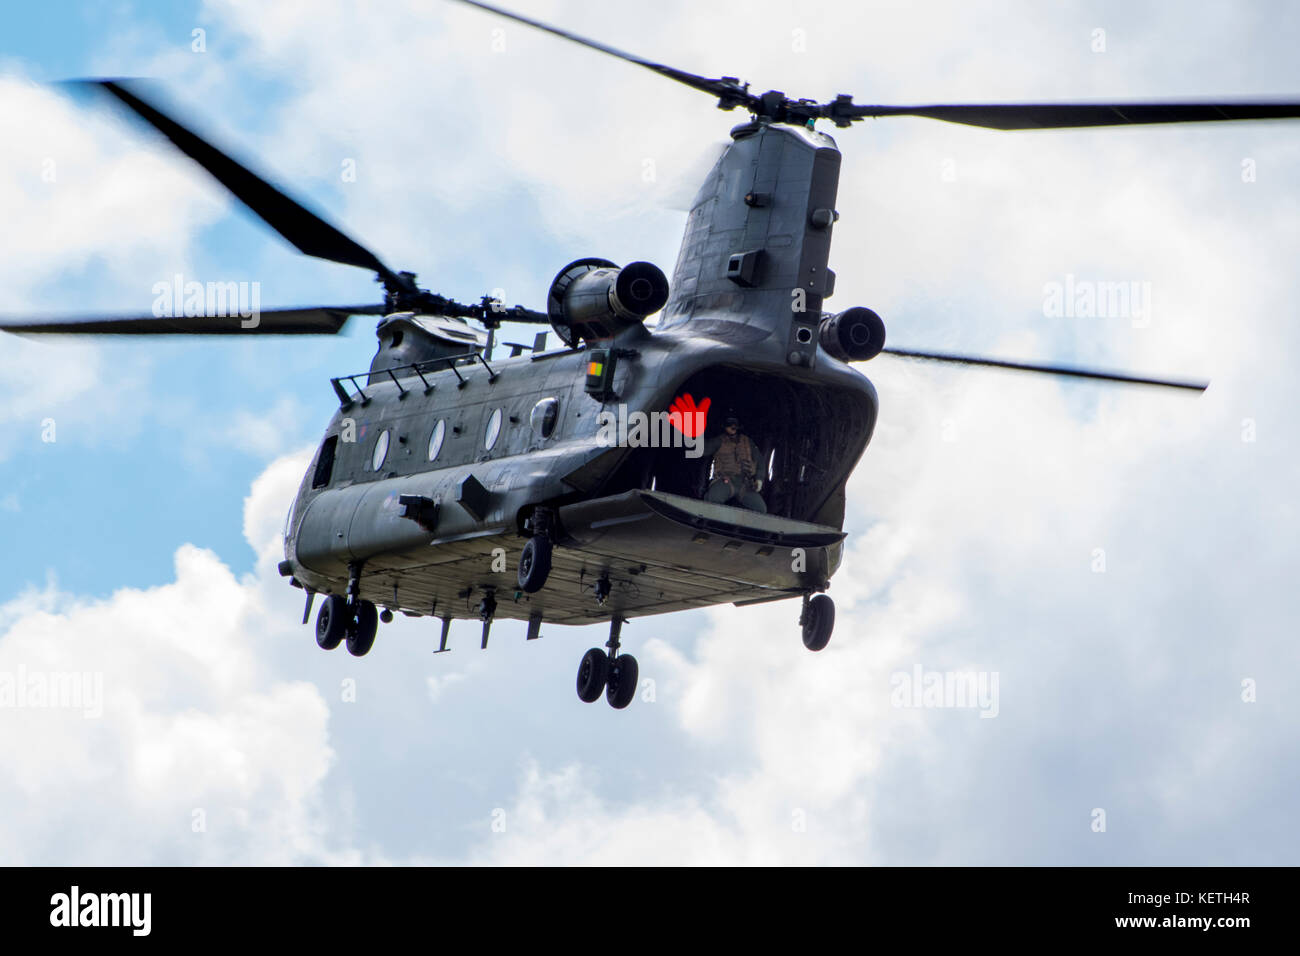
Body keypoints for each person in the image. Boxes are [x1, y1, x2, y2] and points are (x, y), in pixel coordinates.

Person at [704, 416, 767, 512]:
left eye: (734, 424)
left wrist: (759, 479)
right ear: (724, 427)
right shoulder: (719, 441)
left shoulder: (747, 442)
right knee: (713, 499)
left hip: (745, 484)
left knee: (761, 509)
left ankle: (741, 525)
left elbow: (760, 462)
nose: (732, 427)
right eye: (729, 425)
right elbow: (702, 450)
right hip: (726, 481)